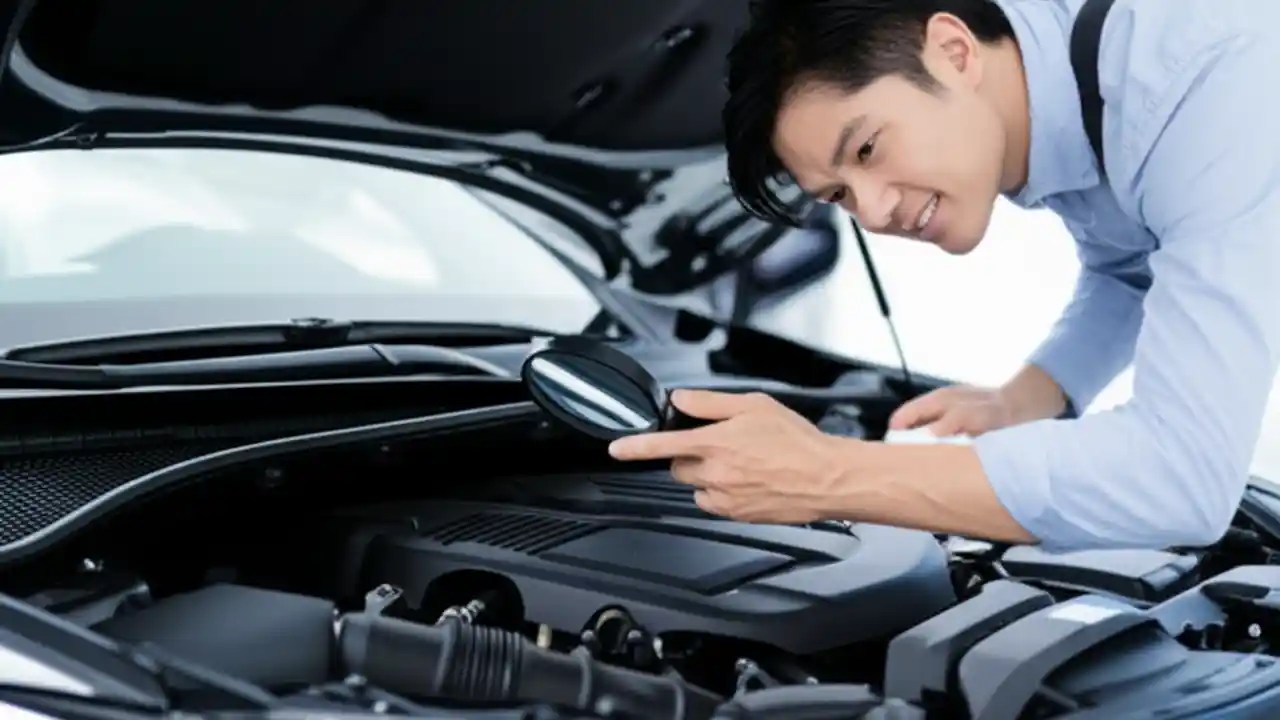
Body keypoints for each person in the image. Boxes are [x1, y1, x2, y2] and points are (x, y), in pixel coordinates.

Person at [607, 0, 1280, 552]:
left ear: (954, 52)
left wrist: (828, 472)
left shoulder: (1201, 79)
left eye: (867, 148)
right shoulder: (1056, 89)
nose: (872, 212)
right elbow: (1130, 261)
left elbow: (1180, 479)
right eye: (838, 196)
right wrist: (1026, 398)